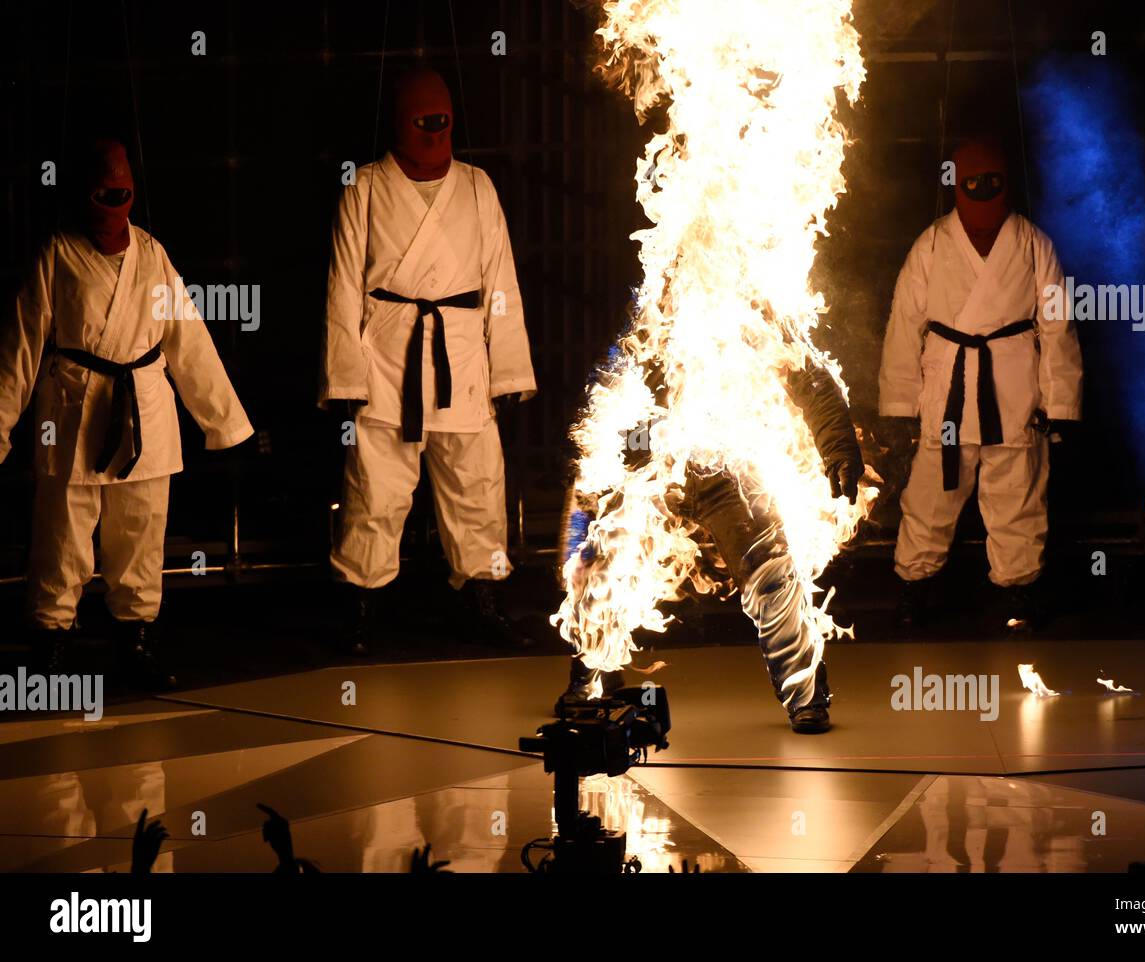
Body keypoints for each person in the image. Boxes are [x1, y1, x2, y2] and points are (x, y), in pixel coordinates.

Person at [0, 138, 254, 687]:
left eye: (123, 190)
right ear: (82, 193)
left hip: (145, 405)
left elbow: (188, 339)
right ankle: (50, 642)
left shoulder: (153, 254)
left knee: (140, 533)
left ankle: (134, 640)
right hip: (73, 408)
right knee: (62, 538)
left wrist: (225, 423)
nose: (115, 200)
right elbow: (19, 350)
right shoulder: (57, 255)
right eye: (104, 189)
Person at [320, 68, 536, 655]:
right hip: (387, 355)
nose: (435, 129)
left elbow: (500, 282)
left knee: (478, 486)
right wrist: (344, 374)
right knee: (375, 490)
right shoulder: (364, 187)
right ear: (397, 123)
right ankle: (361, 603)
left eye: (442, 118)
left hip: (462, 356)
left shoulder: (476, 186)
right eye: (422, 119)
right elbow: (343, 288)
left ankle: (484, 595)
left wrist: (510, 369)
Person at [559, 359, 865, 735]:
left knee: (771, 578)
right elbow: (608, 395)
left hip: (730, 476)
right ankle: (590, 674)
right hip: (654, 472)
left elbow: (813, 384)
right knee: (605, 559)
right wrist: (603, 466)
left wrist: (840, 451)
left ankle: (806, 697)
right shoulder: (652, 315)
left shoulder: (762, 311)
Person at [877, 137, 1082, 632]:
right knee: (930, 497)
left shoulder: (1033, 243)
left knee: (1018, 496)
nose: (984, 189)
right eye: (973, 182)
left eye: (992, 181)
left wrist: (1060, 403)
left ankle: (1018, 591)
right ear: (956, 185)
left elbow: (1056, 326)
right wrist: (900, 404)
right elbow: (905, 325)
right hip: (946, 388)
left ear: (1007, 183)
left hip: (1013, 388)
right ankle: (915, 586)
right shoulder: (931, 244)